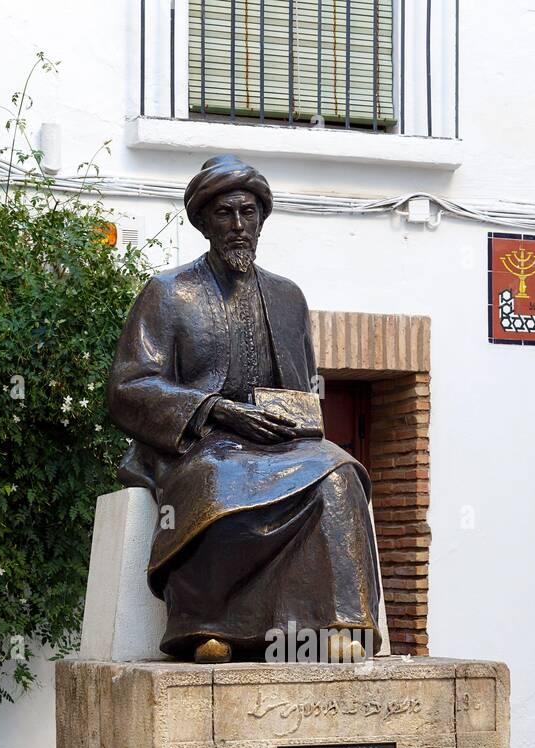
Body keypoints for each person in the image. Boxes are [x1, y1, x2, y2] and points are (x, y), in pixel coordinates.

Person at [107, 154, 381, 663]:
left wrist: (294, 421)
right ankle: (207, 626)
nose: (238, 226)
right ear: (204, 222)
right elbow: (129, 387)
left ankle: (338, 624)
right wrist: (217, 411)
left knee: (340, 472)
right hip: (198, 442)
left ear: (261, 219)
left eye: (249, 214)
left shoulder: (286, 297)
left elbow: (303, 390)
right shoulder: (167, 294)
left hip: (275, 444)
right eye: (225, 214)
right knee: (217, 479)